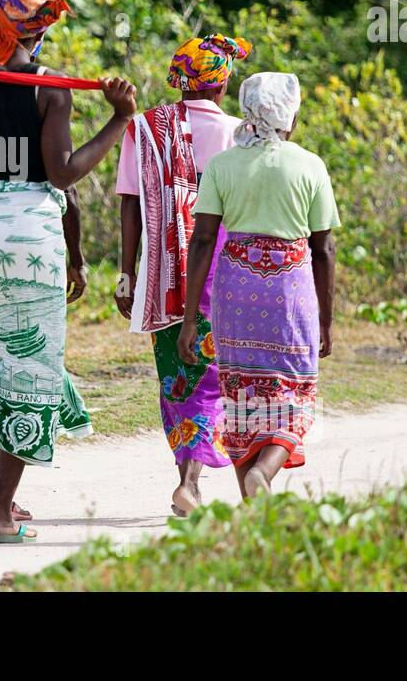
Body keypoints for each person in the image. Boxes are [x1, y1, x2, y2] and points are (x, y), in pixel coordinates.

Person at [0, 0, 138, 543]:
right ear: (37, 32)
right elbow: (64, 172)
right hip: (32, 244)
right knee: (28, 374)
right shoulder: (50, 89)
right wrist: (119, 118)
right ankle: (0, 516)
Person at [177, 71, 339, 498]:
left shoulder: (222, 165)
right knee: (293, 393)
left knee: (241, 395)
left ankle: (252, 499)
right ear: (290, 116)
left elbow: (204, 240)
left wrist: (192, 318)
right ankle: (262, 475)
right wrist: (326, 320)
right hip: (290, 292)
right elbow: (323, 250)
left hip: (234, 291)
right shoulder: (309, 165)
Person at [115, 34, 252, 515]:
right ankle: (192, 483)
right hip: (225, 266)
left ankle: (186, 480)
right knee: (216, 374)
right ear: (221, 81)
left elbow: (130, 208)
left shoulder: (145, 129)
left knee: (178, 373)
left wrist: (126, 275)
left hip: (163, 271)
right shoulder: (241, 133)